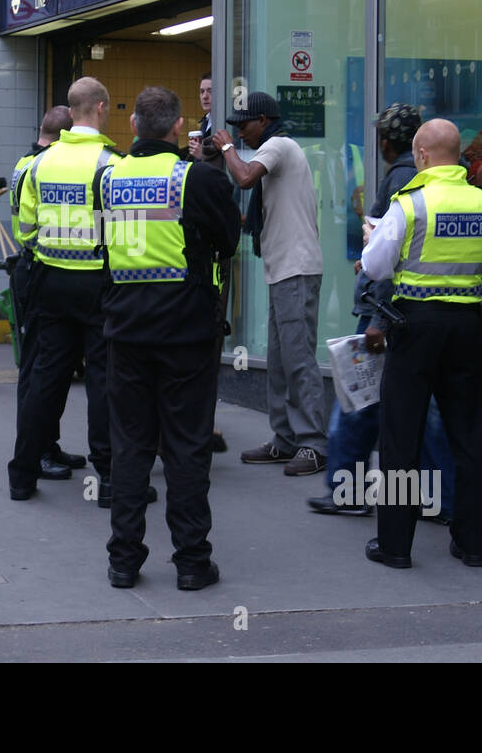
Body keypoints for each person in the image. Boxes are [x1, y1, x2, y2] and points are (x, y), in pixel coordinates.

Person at [100, 86, 240, 590]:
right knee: (186, 446)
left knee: (131, 446)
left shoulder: (108, 178)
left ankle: (123, 561)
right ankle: (191, 563)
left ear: (134, 124)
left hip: (126, 330)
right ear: (179, 127)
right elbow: (228, 241)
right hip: (187, 333)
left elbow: (104, 245)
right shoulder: (199, 179)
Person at [360, 118, 482, 570]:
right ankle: (473, 543)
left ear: (421, 155)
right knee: (469, 436)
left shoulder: (411, 205)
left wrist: (372, 236)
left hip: (415, 325)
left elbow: (376, 267)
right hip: (465, 326)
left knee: (402, 436)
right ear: (457, 154)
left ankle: (395, 546)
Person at [308, 104, 456, 520]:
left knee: (358, 401)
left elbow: (395, 260)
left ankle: (349, 491)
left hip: (388, 314)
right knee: (424, 409)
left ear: (392, 142)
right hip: (426, 316)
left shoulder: (402, 181)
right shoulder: (439, 184)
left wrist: (377, 320)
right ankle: (442, 499)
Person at [7, 77, 127, 504]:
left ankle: (22, 474)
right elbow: (124, 233)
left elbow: (25, 228)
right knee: (103, 380)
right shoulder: (111, 164)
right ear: (99, 107)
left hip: (49, 283)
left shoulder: (38, 164)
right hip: (97, 285)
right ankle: (110, 479)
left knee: (46, 378)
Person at [211, 92, 328, 476]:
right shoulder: (277, 150)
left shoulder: (279, 145)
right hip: (283, 270)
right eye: (234, 129)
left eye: (243, 125)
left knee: (298, 361)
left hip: (296, 270)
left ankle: (313, 444)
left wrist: (227, 149)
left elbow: (244, 178)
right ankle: (284, 440)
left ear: (263, 120)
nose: (239, 133)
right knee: (279, 364)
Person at [9, 104, 85, 480]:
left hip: (33, 270)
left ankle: (45, 447)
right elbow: (32, 227)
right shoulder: (46, 165)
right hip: (42, 270)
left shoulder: (27, 162)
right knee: (40, 372)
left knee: (43, 368)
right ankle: (36, 453)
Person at [188, 71, 233, 453]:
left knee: (212, 335)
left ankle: (202, 423)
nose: (204, 96)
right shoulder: (205, 129)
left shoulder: (223, 135)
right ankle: (199, 424)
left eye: (209, 90)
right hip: (207, 247)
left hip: (216, 242)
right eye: (201, 91)